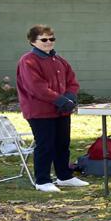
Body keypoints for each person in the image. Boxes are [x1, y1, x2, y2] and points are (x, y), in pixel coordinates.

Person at [15, 25, 87, 192]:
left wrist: (70, 96)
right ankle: (42, 180)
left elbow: (72, 81)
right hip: (39, 111)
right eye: (44, 39)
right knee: (45, 145)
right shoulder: (28, 61)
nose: (49, 42)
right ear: (33, 41)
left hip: (61, 110)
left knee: (62, 144)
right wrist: (60, 99)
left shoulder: (59, 60)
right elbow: (36, 87)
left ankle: (64, 176)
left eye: (51, 39)